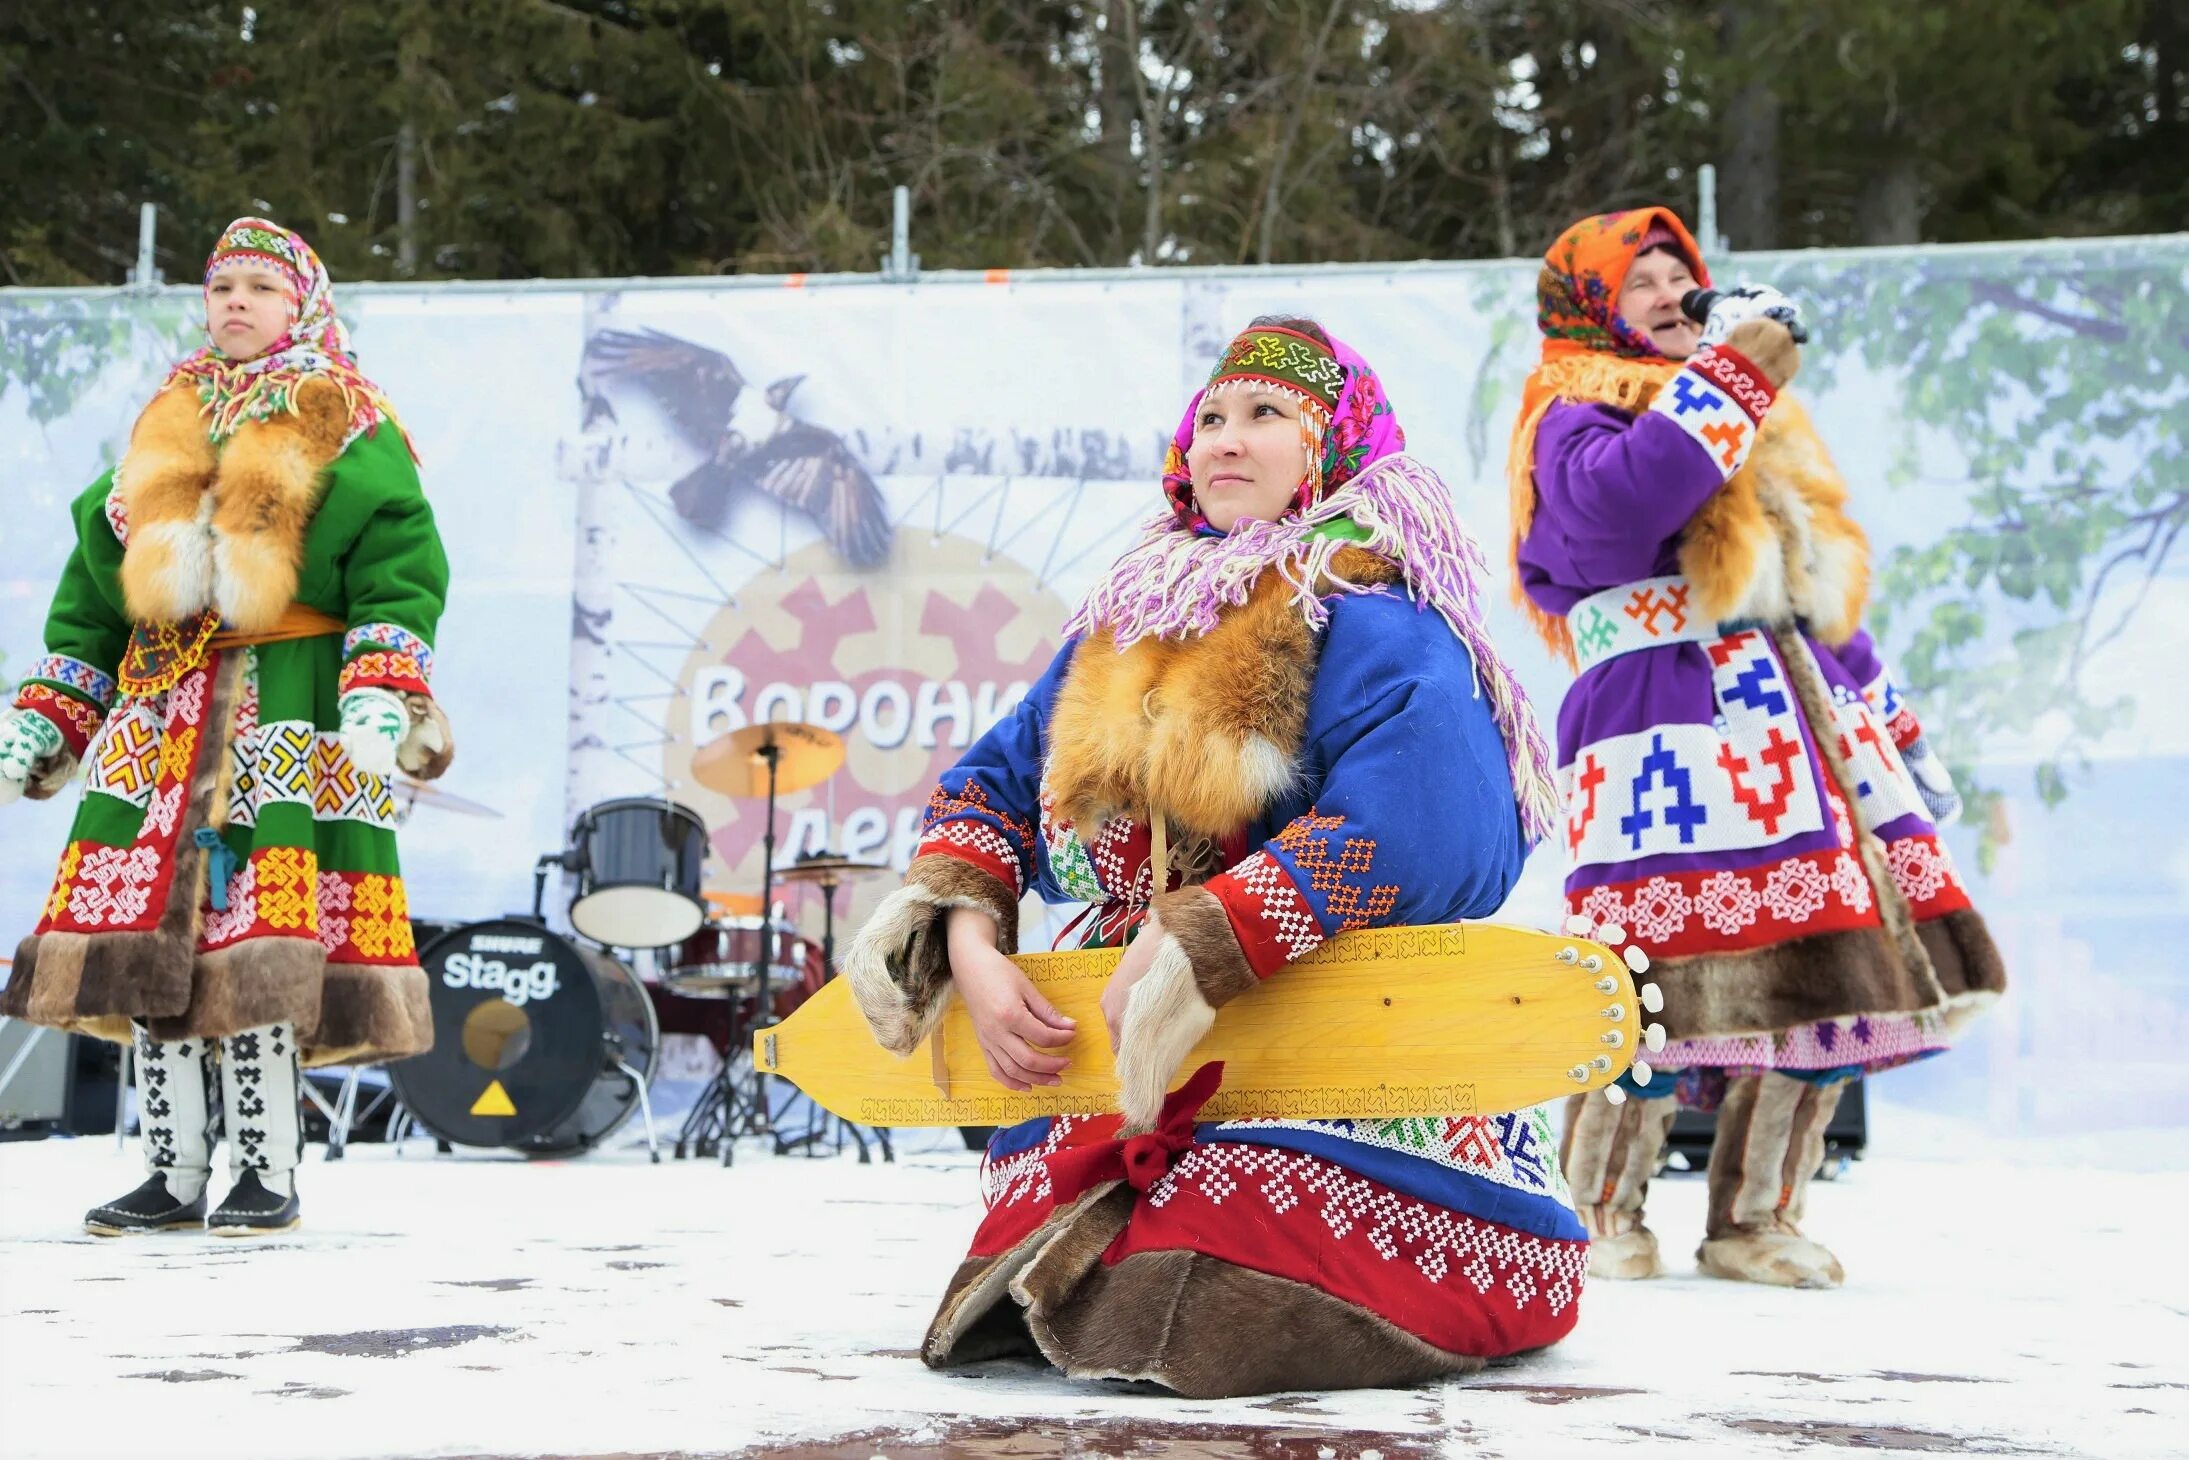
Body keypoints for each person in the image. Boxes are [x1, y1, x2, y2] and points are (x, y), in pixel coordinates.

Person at [844, 316, 1579, 1397]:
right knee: (1036, 1283)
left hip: (1324, 1038)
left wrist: (1217, 930)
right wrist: (969, 931)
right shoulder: (1126, 626)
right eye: (1211, 419)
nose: (1224, 440)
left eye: (1265, 415)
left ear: (1330, 445)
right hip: (1118, 1056)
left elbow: (1435, 818)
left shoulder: (1374, 613)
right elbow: (995, 781)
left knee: (1221, 1259)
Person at [1507, 209, 2007, 1288]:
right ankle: (1595, 1212)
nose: (1662, 293)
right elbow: (1619, 505)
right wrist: (1730, 375)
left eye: (1676, 275)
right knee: (1643, 977)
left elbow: (1813, 586)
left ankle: (1756, 1215)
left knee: (1827, 965)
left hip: (1798, 718)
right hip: (1658, 718)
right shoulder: (1574, 410)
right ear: (1585, 302)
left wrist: (1888, 715)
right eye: (1633, 278)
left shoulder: (1752, 422)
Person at [0, 217, 452, 1235]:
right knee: (154, 945)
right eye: (221, 287)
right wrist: (52, 710)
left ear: (302, 303)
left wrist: (382, 680)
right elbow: (92, 588)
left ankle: (266, 1166)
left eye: (259, 286)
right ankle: (171, 1166)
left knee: (260, 937)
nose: (236, 302)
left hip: (279, 700)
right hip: (162, 711)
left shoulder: (347, 415)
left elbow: (401, 561)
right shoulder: (167, 414)